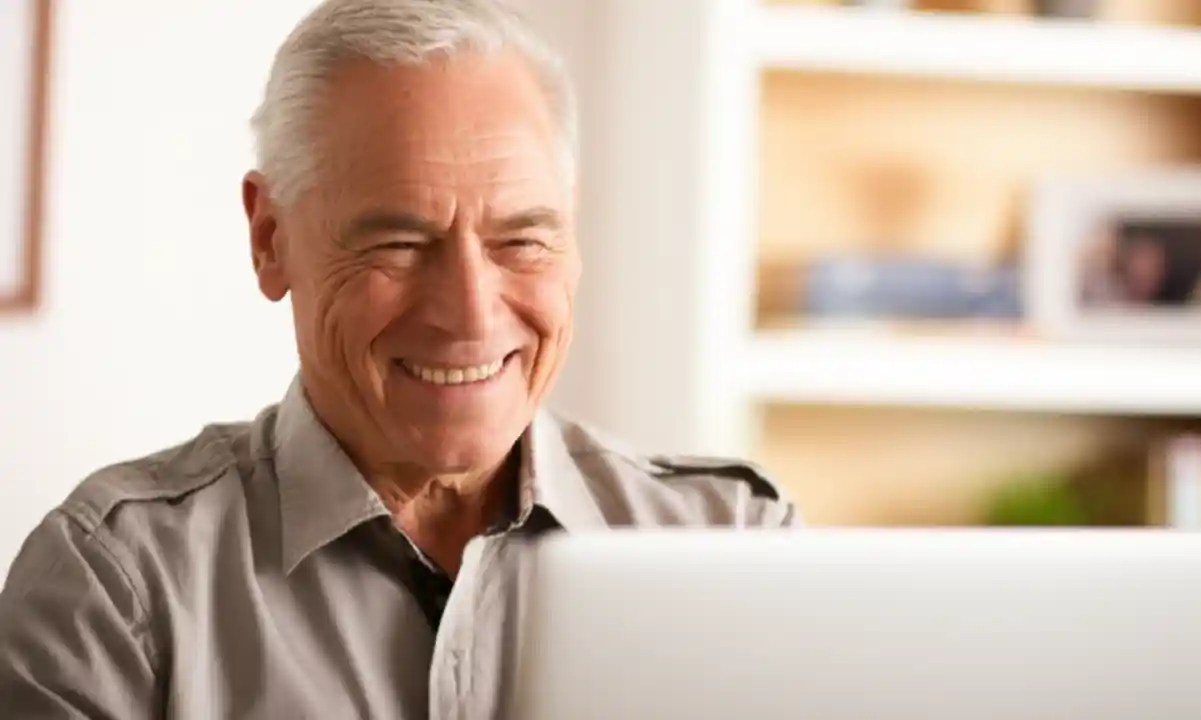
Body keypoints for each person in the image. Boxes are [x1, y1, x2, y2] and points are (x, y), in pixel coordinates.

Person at [0, 0, 799, 717]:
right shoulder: (116, 588)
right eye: (399, 243)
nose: (471, 314)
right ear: (270, 239)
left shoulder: (735, 544)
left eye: (521, 240)